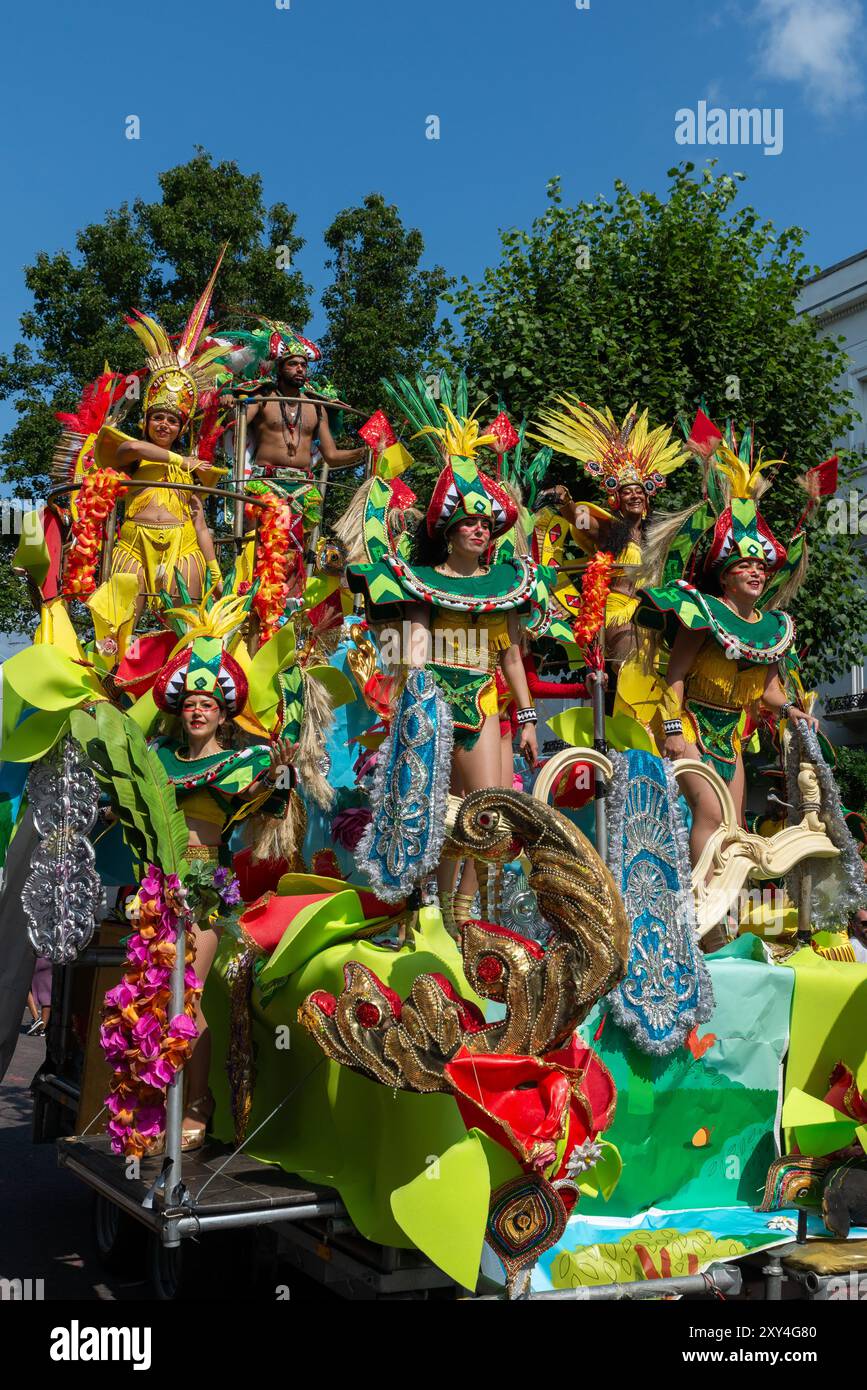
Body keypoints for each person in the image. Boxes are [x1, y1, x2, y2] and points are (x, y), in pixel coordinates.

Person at [345, 403, 559, 931]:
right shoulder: (418, 581)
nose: (480, 530)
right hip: (433, 702)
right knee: (436, 814)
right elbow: (411, 650)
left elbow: (511, 656)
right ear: (448, 527)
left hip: (482, 700)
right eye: (469, 521)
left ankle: (467, 918)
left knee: (487, 813)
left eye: (487, 522)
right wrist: (412, 708)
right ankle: (430, 915)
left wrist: (528, 720)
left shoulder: (508, 584)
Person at [632, 414, 819, 868]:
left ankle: (724, 922)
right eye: (744, 566)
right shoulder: (702, 613)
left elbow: (770, 691)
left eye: (761, 568)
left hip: (730, 732)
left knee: (733, 825)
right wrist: (673, 731)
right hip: (689, 723)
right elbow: (674, 677)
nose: (756, 572)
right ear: (725, 575)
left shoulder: (772, 629)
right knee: (711, 813)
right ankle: (703, 917)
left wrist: (793, 710)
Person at [148, 630, 294, 1148]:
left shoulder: (241, 765)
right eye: (189, 703)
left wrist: (282, 771)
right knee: (154, 999)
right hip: (156, 889)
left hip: (204, 886)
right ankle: (158, 1097)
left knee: (184, 993)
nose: (197, 711)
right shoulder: (154, 759)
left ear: (223, 713)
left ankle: (196, 1104)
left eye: (207, 703)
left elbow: (272, 806)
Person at [94, 252, 229, 618]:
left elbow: (201, 522)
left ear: (181, 427)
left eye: (172, 420)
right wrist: (177, 459)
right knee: (120, 621)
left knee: (182, 625)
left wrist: (216, 573)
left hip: (182, 544)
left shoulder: (193, 470)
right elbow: (131, 445)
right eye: (158, 418)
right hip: (134, 542)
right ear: (147, 419)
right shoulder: (135, 454)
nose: (165, 425)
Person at [529, 400, 689, 687]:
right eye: (627, 493)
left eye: (639, 492)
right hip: (619, 613)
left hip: (654, 615)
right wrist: (566, 502)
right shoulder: (609, 531)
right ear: (617, 499)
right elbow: (580, 522)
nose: (634, 497)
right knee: (632, 676)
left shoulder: (659, 535)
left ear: (648, 497)